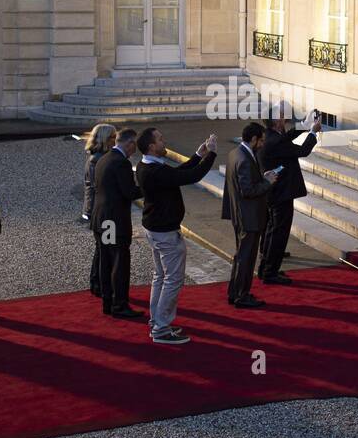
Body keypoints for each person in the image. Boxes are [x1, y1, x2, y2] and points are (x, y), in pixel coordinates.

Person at [136, 127, 218, 344]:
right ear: (152, 146)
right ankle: (161, 328)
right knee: (172, 279)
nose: (164, 142)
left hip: (154, 228)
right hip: (165, 232)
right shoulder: (155, 171)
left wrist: (198, 155)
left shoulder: (146, 166)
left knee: (160, 276)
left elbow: (176, 175)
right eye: (160, 140)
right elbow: (191, 176)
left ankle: (156, 321)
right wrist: (211, 154)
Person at [258, 103, 323, 284]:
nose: (285, 116)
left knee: (273, 230)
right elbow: (302, 150)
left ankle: (266, 269)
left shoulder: (272, 135)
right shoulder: (275, 141)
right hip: (281, 193)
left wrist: (303, 125)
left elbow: (286, 137)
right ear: (276, 120)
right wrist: (312, 132)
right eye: (281, 115)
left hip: (276, 192)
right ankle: (270, 272)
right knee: (279, 233)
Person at [222, 122, 279, 308]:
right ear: (253, 139)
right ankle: (242, 295)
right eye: (261, 140)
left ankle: (235, 292)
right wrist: (268, 182)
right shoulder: (245, 159)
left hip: (241, 215)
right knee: (246, 257)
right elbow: (247, 190)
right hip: (249, 217)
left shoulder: (236, 153)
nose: (263, 144)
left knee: (241, 256)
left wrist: (263, 178)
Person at [92, 128, 143, 320]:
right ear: (129, 144)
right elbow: (129, 192)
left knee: (106, 261)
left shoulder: (104, 158)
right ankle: (119, 304)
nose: (135, 149)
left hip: (102, 218)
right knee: (119, 263)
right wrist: (150, 186)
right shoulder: (121, 163)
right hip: (113, 221)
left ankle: (108, 301)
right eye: (135, 145)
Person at [83, 123, 117, 297]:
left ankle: (97, 283)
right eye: (113, 137)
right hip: (103, 211)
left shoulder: (95, 157)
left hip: (97, 209)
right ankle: (100, 285)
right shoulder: (99, 160)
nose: (115, 140)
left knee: (102, 248)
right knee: (105, 249)